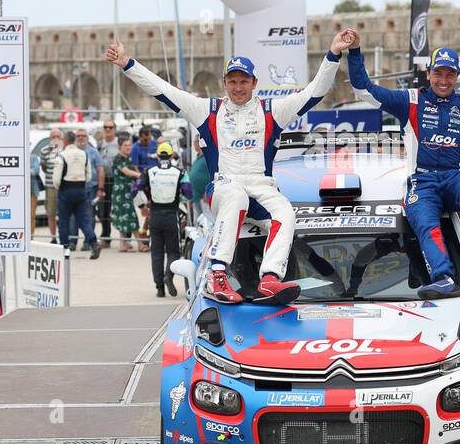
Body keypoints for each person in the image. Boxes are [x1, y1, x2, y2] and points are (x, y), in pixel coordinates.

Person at [107, 30, 354, 304]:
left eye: (244, 81)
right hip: (224, 188)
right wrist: (128, 63)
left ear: (254, 82)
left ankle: (270, 278)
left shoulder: (273, 109)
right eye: (233, 81)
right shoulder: (207, 110)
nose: (238, 87)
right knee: (235, 195)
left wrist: (333, 54)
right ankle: (217, 273)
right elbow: (163, 90)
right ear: (224, 82)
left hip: (261, 188)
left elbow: (315, 91)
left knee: (285, 210)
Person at [346, 35, 460, 297]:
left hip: (454, 178)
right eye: (438, 73)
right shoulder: (409, 100)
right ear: (428, 73)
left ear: (457, 77)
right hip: (421, 181)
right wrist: (355, 51)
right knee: (423, 219)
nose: (443, 81)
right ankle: (443, 278)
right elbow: (363, 89)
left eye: (450, 75)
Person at [143, 142, 190, 297]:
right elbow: (189, 192)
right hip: (171, 215)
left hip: (154, 216)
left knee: (156, 253)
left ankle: (159, 288)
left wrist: (143, 204)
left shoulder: (148, 171)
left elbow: (135, 188)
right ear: (171, 156)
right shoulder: (180, 172)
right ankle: (168, 276)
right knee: (173, 252)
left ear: (157, 155)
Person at [54, 129, 101, 259]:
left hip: (66, 189)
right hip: (81, 189)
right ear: (74, 140)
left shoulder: (62, 155)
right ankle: (93, 242)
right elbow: (89, 175)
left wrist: (59, 187)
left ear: (64, 141)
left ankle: (64, 248)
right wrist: (81, 184)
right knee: (83, 219)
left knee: (64, 220)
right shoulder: (84, 154)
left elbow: (56, 179)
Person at [110, 132, 142, 252]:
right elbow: (127, 171)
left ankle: (123, 244)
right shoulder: (118, 158)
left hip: (127, 191)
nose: (128, 147)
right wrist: (141, 175)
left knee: (124, 217)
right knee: (129, 217)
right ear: (120, 147)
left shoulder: (127, 157)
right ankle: (140, 244)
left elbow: (133, 168)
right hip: (121, 193)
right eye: (125, 145)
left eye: (129, 145)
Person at [73, 128, 107, 243]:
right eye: (78, 136)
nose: (81, 138)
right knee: (73, 215)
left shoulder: (94, 152)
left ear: (87, 138)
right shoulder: (70, 151)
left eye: (83, 135)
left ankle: (89, 241)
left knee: (89, 214)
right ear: (75, 138)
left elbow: (100, 170)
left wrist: (100, 188)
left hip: (90, 188)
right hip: (73, 188)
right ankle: (72, 241)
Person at [96, 121, 122, 247]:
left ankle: (125, 238)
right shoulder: (100, 143)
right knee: (104, 210)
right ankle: (106, 237)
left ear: (115, 129)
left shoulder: (119, 142)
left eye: (110, 127)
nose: (108, 129)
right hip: (104, 179)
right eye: (105, 127)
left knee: (122, 207)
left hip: (118, 179)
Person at [39, 129, 65, 243]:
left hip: (64, 187)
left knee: (64, 214)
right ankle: (53, 237)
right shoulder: (44, 150)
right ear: (50, 138)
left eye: (58, 136)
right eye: (53, 136)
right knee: (51, 213)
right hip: (50, 186)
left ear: (62, 138)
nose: (56, 138)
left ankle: (65, 237)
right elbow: (44, 167)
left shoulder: (66, 150)